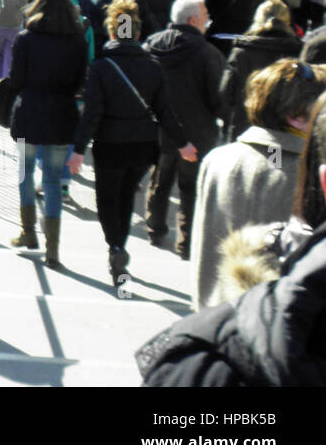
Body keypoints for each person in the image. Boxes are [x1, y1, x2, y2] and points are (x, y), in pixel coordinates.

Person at [136, 102, 326, 386]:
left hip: (227, 303)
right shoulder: (278, 160)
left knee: (162, 181)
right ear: (294, 116)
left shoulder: (224, 157)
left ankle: (157, 227)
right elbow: (274, 171)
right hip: (258, 292)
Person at [69, 0, 197, 289]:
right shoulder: (153, 67)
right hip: (143, 145)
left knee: (107, 199)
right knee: (127, 197)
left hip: (110, 144)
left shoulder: (101, 67)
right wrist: (183, 144)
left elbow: (92, 114)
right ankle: (118, 246)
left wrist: (78, 149)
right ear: (138, 34)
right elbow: (165, 111)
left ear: (113, 32)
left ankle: (115, 246)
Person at [191, 59, 326, 310]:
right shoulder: (301, 174)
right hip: (271, 328)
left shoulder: (219, 158)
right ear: (297, 117)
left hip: (212, 318)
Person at [7, 0, 88, 269]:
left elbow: (16, 79)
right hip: (63, 113)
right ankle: (53, 249)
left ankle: (28, 231)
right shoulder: (78, 41)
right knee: (53, 179)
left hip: (29, 110)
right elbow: (80, 81)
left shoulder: (26, 39)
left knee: (24, 172)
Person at [144, 0, 226, 260]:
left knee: (159, 180)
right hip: (196, 132)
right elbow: (218, 97)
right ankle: (187, 242)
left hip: (159, 128)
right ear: (193, 20)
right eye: (205, 17)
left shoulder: (152, 45)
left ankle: (154, 230)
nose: (208, 22)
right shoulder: (207, 53)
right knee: (190, 188)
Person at [219, 0, 302, 140]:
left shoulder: (242, 51)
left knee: (245, 162)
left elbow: (225, 93)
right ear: (287, 21)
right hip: (279, 134)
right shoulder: (296, 53)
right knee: (273, 162)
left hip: (244, 131)